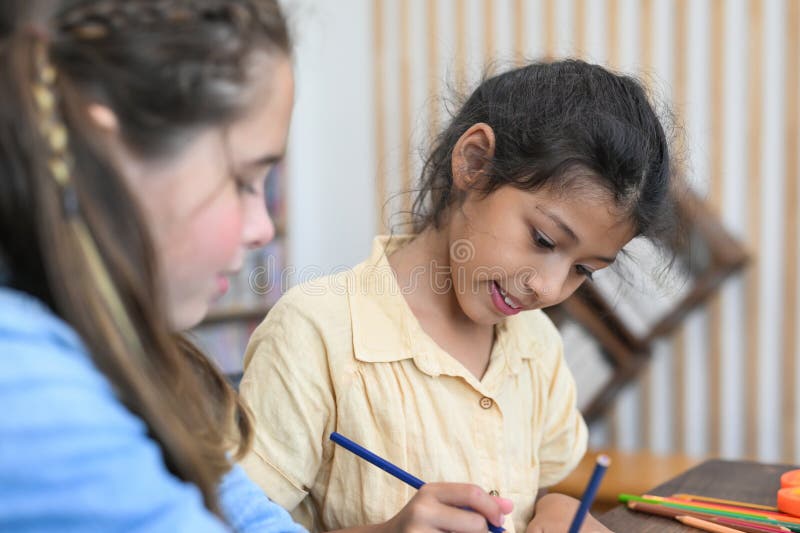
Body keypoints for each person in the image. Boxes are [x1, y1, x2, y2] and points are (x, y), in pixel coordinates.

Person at [0, 1, 512, 531]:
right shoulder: (28, 393)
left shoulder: (118, 356)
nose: (262, 228)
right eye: (245, 181)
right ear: (108, 151)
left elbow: (246, 516)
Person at [239, 59, 675, 533]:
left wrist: (558, 509)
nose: (549, 288)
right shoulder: (315, 335)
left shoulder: (536, 347)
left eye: (583, 271)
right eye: (545, 241)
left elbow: (538, 487)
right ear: (474, 163)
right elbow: (227, 523)